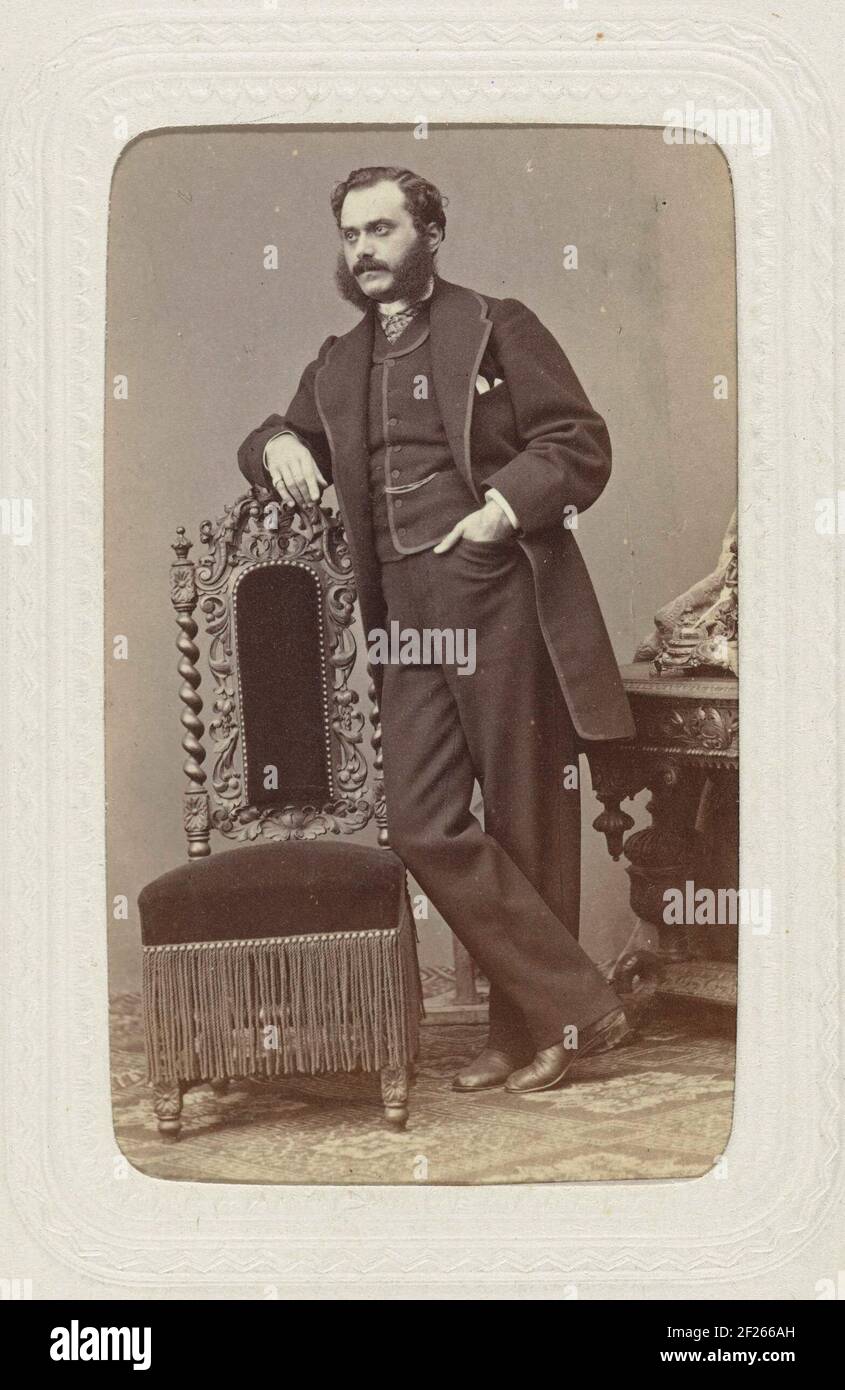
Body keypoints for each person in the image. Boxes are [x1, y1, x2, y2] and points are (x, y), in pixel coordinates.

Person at [237, 165, 636, 1093]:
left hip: (497, 592)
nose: (365, 251)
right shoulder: (337, 363)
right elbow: (268, 439)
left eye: (382, 230)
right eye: (350, 236)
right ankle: (579, 1008)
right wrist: (279, 444)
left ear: (430, 234)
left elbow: (578, 441)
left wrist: (503, 509)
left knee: (526, 819)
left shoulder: (497, 323)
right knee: (421, 824)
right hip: (406, 623)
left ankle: (529, 1033)